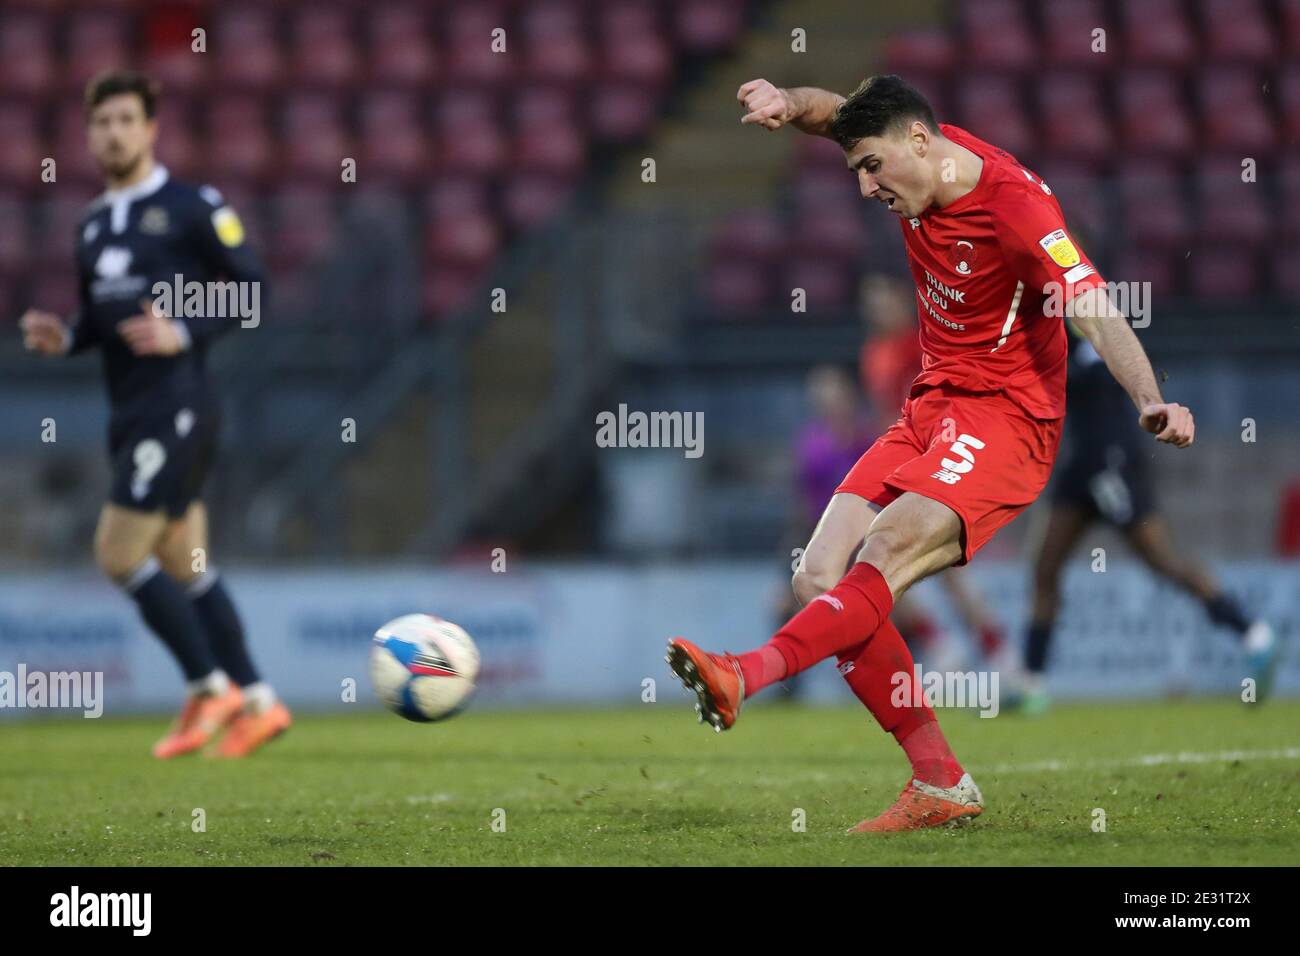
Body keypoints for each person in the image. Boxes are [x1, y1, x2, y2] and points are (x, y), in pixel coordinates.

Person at [667, 74, 1194, 832]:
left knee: (880, 555)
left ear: (920, 141)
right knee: (818, 572)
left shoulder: (1016, 206)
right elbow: (835, 116)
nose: (866, 188)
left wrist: (1150, 398)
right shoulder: (909, 152)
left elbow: (1096, 308)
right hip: (931, 407)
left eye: (873, 168)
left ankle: (744, 672)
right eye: (856, 172)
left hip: (1006, 422)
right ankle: (940, 783)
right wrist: (789, 103)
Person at [20, 70, 290, 758]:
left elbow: (255, 290)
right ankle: (258, 699)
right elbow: (102, 318)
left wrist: (186, 329)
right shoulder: (92, 225)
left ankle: (208, 687)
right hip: (131, 409)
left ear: (150, 127)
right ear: (89, 135)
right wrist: (68, 337)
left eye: (124, 120)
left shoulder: (191, 207)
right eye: (101, 122)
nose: (112, 132)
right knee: (185, 560)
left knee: (117, 553)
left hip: (177, 407)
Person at [1017, 332, 1278, 715]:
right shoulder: (1055, 339)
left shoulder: (1092, 337)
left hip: (1111, 462)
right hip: (1080, 464)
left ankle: (1254, 633)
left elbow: (1106, 385)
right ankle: (1031, 684)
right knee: (1045, 565)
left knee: (1162, 560)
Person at [860, 275, 1015, 674]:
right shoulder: (873, 353)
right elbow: (883, 411)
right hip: (896, 462)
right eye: (871, 304)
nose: (878, 310)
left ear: (900, 301)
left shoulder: (920, 343)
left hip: (933, 458)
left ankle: (982, 648)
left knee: (939, 564)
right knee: (877, 558)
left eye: (883, 301)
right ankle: (962, 646)